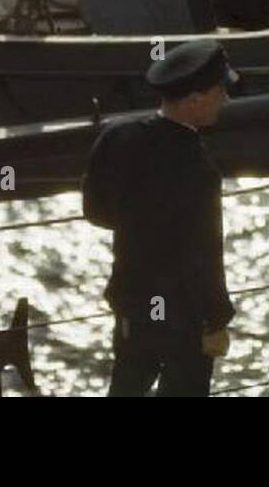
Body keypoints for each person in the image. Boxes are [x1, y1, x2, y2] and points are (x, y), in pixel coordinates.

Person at [83, 39, 238, 396]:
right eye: (220, 91)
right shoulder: (199, 169)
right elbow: (206, 255)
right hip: (183, 316)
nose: (225, 99)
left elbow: (95, 211)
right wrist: (216, 321)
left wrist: (139, 230)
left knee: (126, 386)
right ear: (195, 101)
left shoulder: (116, 137)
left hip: (133, 304)